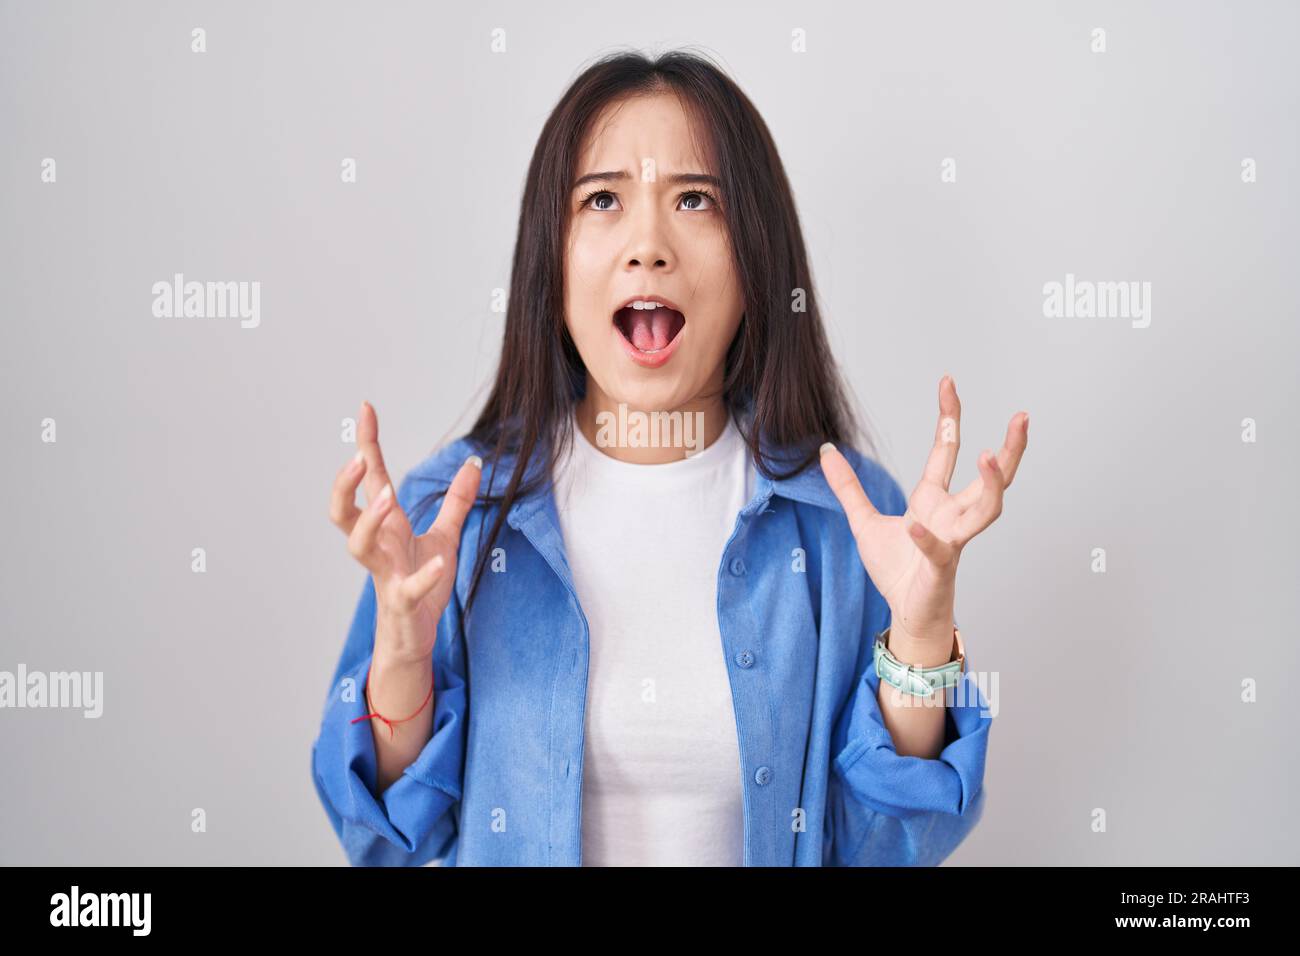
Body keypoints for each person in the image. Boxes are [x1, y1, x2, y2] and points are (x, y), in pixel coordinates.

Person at [312, 49, 1028, 866]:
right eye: (603, 200)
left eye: (694, 200)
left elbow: (885, 848)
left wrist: (923, 636)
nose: (647, 245)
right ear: (551, 260)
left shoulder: (848, 517)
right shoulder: (455, 513)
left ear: (756, 262)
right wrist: (403, 649)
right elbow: (393, 842)